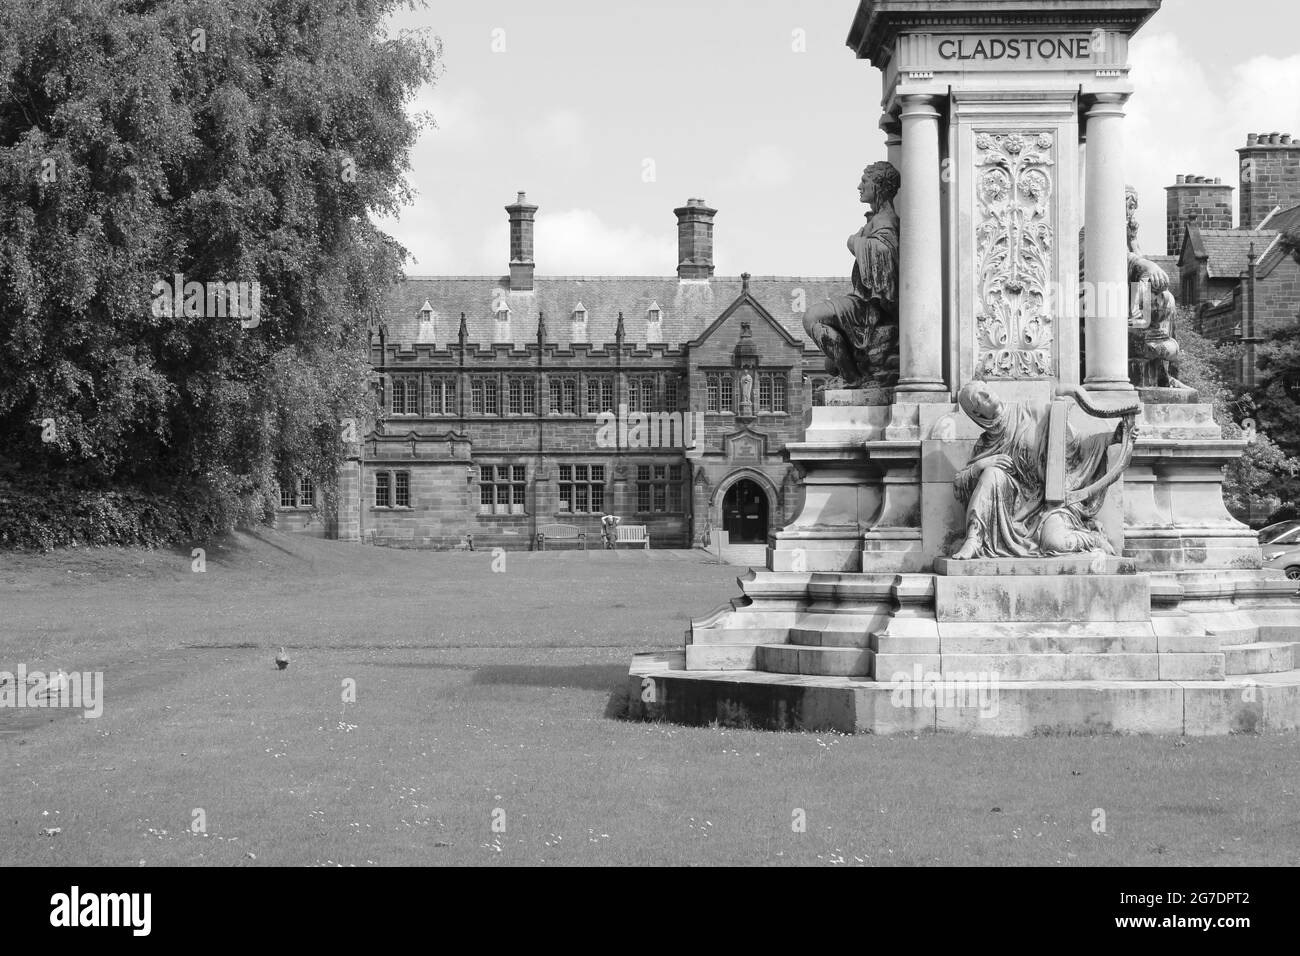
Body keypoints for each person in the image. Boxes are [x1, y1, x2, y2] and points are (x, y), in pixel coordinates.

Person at [949, 381, 1133, 559]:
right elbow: (960, 484)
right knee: (992, 474)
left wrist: (1112, 438)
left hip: (1052, 504)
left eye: (984, 387)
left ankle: (1094, 540)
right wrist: (983, 464)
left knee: (1054, 543)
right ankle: (975, 538)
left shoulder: (1033, 412)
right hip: (1013, 511)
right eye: (978, 397)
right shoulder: (986, 443)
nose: (985, 393)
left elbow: (1075, 445)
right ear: (976, 412)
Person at [801, 161, 900, 388]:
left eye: (864, 181)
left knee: (811, 318)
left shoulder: (886, 220)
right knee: (815, 324)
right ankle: (851, 375)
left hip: (872, 305)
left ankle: (853, 378)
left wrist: (855, 242)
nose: (859, 186)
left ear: (879, 186)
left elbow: (885, 255)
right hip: (863, 299)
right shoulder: (876, 219)